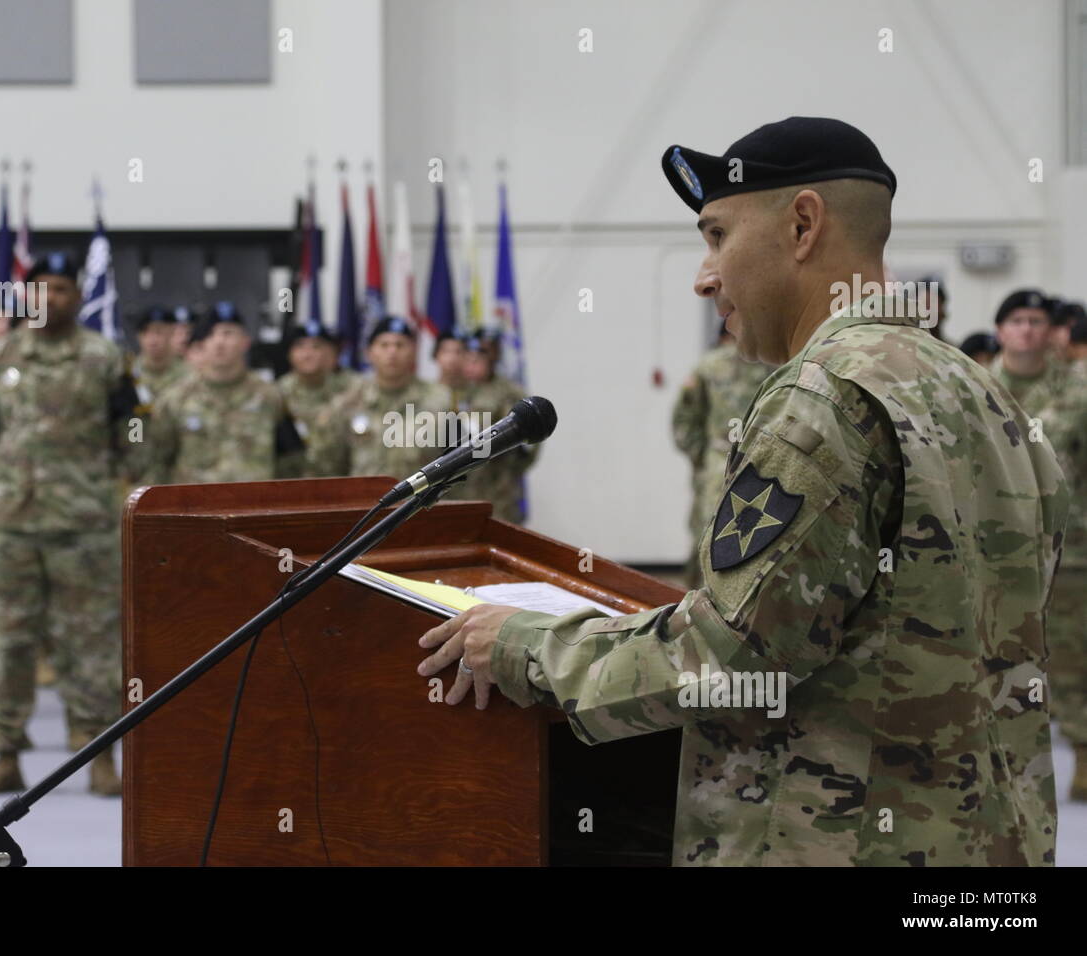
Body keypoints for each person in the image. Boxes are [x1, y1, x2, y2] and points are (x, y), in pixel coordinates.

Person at [417, 117, 1068, 865]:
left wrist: (528, 646)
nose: (704, 275)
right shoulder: (981, 391)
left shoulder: (825, 396)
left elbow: (731, 658)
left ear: (801, 224)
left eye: (717, 235)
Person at [0, 252, 137, 796]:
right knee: (8, 639)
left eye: (60, 289)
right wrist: (10, 481)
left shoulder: (104, 359)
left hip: (83, 526)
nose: (49, 298)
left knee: (91, 644)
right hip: (11, 527)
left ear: (76, 297)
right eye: (39, 289)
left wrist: (94, 482)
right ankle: (6, 751)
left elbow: (129, 431)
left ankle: (99, 755)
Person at [990, 289, 1087, 800]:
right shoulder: (977, 388)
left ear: (1052, 332)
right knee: (1001, 659)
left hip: (1071, 552)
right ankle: (1005, 765)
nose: (1027, 329)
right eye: (1017, 320)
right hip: (997, 552)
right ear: (1001, 330)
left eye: (1037, 321)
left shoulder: (1079, 390)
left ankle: (1083, 750)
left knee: (1071, 660)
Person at [147, 302, 302, 484]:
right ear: (202, 344)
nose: (219, 342)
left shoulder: (270, 397)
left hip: (253, 506)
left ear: (245, 342)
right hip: (195, 507)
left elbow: (291, 460)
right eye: (211, 335)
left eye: (228, 333)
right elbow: (157, 460)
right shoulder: (176, 398)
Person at [671, 324, 772, 587]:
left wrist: (702, 458)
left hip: (728, 466)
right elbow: (685, 420)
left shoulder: (772, 365)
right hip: (745, 465)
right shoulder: (772, 365)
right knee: (728, 535)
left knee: (715, 535)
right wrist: (703, 457)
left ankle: (698, 609)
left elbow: (683, 420)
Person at [305, 316, 454, 479]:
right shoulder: (348, 401)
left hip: (423, 501)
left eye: (400, 345)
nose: (392, 352)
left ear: (413, 352)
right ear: (369, 353)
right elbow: (326, 466)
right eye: (384, 345)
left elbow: (455, 462)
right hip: (364, 501)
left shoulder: (441, 400)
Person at [452, 330, 538, 523]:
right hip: (457, 491)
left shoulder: (509, 392)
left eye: (479, 358)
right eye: (468, 358)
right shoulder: (452, 390)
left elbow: (526, 441)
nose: (473, 365)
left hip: (497, 489)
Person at [275, 319, 360, 476]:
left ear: (331, 353)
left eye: (316, 347)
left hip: (340, 481)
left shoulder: (353, 391)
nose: (308, 354)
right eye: (300, 347)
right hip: (290, 483)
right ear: (290, 354)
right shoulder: (276, 394)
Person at [131, 305, 188, 409]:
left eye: (159, 332)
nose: (153, 340)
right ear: (139, 337)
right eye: (146, 332)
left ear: (172, 333)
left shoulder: (188, 374)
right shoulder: (130, 374)